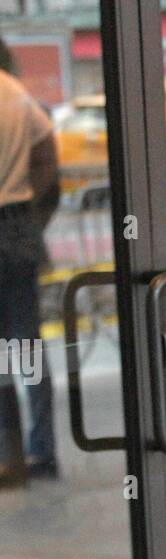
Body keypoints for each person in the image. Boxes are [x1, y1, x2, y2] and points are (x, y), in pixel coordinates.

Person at [0, 36, 59, 486]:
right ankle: (43, 449)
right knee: (26, 346)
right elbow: (47, 157)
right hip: (17, 224)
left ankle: (9, 453)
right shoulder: (18, 96)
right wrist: (32, 210)